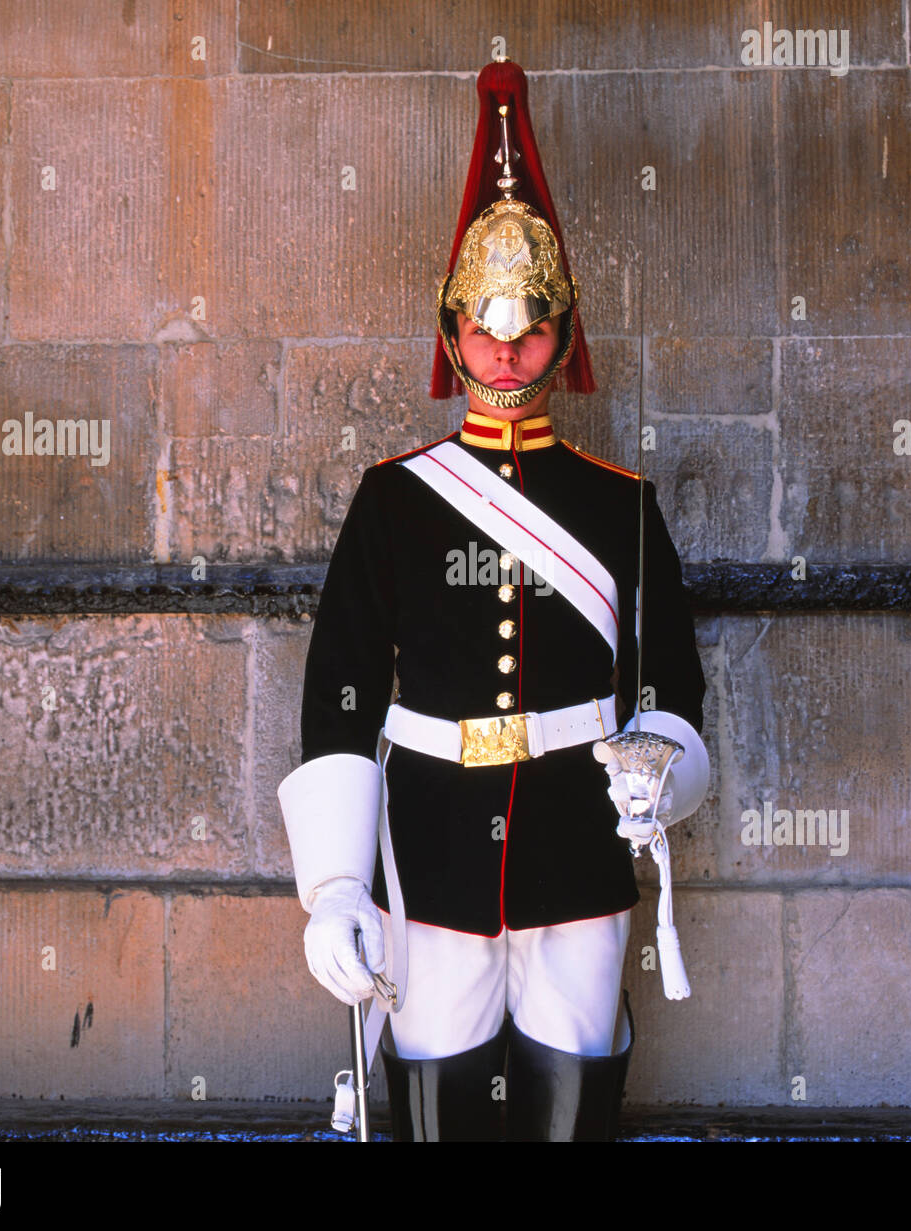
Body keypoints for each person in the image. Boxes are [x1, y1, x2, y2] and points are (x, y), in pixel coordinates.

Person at [278, 59, 708, 1141]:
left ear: (562, 335)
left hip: (576, 828)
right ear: (449, 330)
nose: (503, 349)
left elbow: (670, 682)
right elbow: (339, 693)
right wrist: (333, 882)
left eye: (526, 328)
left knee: (571, 1095)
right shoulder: (393, 502)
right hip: (427, 845)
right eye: (483, 328)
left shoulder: (620, 503)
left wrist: (657, 770)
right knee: (439, 1096)